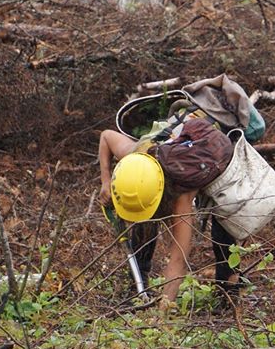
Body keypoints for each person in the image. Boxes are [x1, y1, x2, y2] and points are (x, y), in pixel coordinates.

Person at [98, 126, 240, 306]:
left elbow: (178, 260)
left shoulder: (181, 199)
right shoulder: (135, 157)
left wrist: (162, 312)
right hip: (174, 143)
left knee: (223, 225)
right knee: (144, 222)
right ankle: (137, 286)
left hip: (216, 159)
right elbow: (106, 136)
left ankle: (229, 293)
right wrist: (106, 180)